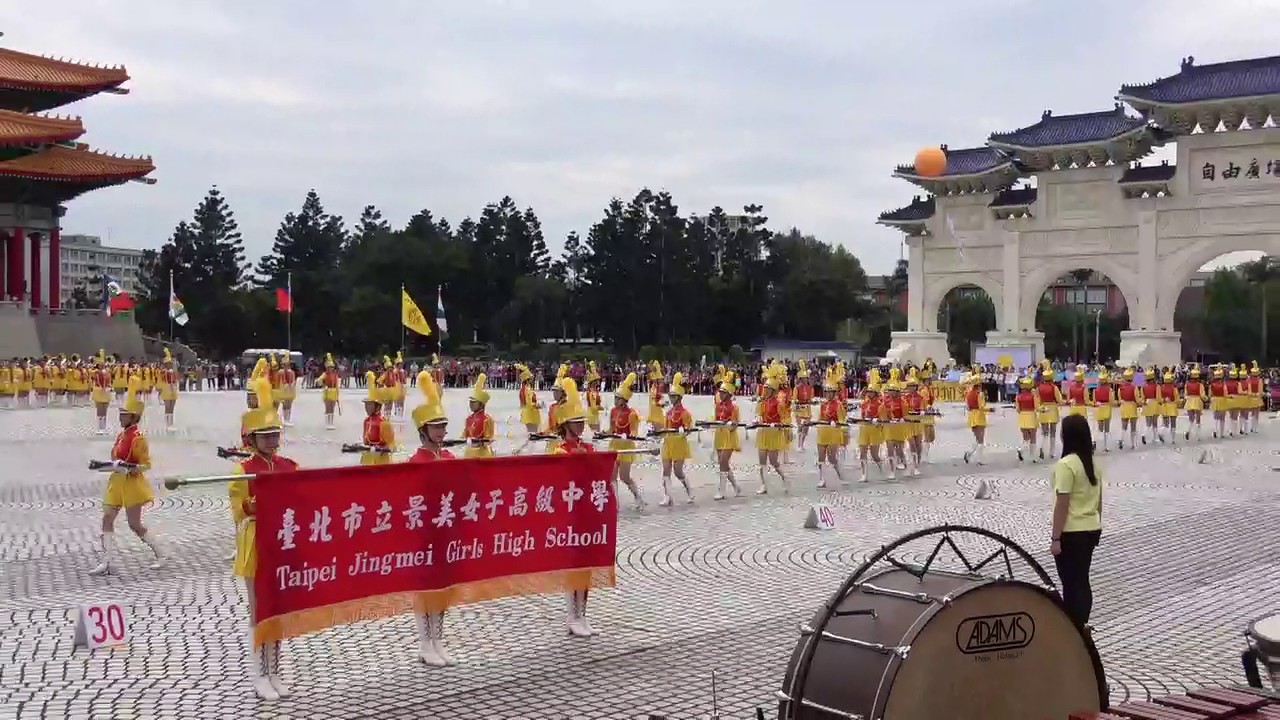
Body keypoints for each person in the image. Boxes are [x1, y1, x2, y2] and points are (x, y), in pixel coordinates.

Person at [229, 376, 299, 699]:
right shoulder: (242, 469)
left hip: (283, 540)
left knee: (279, 609)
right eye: (265, 435)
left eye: (275, 434)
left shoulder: (289, 466)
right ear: (252, 438)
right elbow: (239, 509)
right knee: (260, 610)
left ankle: (275, 671)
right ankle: (259, 674)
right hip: (257, 542)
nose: (272, 440)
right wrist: (257, 504)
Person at [89, 375, 165, 576]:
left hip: (132, 484)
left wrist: (130, 467)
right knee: (107, 518)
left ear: (133, 417)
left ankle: (161, 553)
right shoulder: (121, 435)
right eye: (120, 414)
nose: (120, 417)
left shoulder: (139, 439)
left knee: (134, 525)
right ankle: (107, 561)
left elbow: (146, 464)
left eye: (124, 414)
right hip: (116, 481)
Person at [406, 370, 455, 667]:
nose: (441, 431)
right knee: (425, 587)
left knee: (444, 587)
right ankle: (425, 642)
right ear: (423, 430)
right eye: (435, 426)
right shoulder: (415, 462)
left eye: (443, 426)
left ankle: (438, 638)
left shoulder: (450, 459)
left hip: (447, 531)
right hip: (425, 534)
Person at [1050, 414, 1103, 632]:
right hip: (1091, 527)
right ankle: (1082, 622)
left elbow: (1062, 503)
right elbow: (1100, 501)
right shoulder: (1092, 464)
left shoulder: (1066, 465)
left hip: (1072, 531)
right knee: (1082, 579)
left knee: (1070, 582)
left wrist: (1055, 537)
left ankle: (1073, 626)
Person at [608, 372, 646, 509]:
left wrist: (630, 435)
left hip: (626, 446)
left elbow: (634, 431)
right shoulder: (612, 411)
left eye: (617, 398)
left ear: (624, 400)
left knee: (624, 476)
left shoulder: (631, 414)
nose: (615, 400)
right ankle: (615, 503)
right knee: (612, 476)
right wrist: (603, 434)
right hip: (615, 445)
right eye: (615, 397)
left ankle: (637, 496)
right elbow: (611, 429)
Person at [711, 372, 743, 499]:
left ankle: (722, 490)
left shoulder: (734, 407)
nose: (721, 394)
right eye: (720, 392)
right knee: (722, 464)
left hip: (729, 436)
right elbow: (716, 419)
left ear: (729, 394)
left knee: (724, 461)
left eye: (724, 392)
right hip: (719, 435)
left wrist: (730, 424)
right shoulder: (718, 406)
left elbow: (735, 424)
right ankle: (736, 486)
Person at [814, 368, 845, 487]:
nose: (827, 394)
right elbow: (820, 417)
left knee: (831, 457)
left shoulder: (838, 405)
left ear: (834, 393)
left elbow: (842, 420)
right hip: (823, 431)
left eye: (830, 392)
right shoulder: (823, 404)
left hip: (833, 432)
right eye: (826, 392)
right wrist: (819, 423)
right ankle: (822, 478)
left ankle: (839, 473)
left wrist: (836, 423)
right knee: (821, 456)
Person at [360, 372, 396, 465]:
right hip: (368, 458)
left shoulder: (383, 422)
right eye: (366, 405)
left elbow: (391, 444)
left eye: (370, 405)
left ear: (378, 406)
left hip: (381, 459)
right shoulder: (366, 421)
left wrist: (381, 448)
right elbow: (365, 441)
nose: (366, 408)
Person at [462, 373, 495, 458]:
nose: (471, 404)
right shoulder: (468, 419)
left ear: (481, 404)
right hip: (469, 452)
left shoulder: (487, 419)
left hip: (482, 453)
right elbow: (464, 436)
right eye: (470, 402)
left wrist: (480, 442)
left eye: (473, 402)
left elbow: (489, 439)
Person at [962, 370, 989, 465]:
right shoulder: (980, 394)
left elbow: (967, 407)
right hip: (979, 416)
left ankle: (969, 454)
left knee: (977, 438)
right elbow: (981, 407)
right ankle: (979, 459)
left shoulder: (968, 394)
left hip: (972, 416)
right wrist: (990, 410)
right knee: (981, 439)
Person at [515, 363, 541, 433]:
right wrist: (538, 405)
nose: (532, 379)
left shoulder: (524, 389)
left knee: (531, 434)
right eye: (531, 378)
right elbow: (529, 403)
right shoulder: (527, 389)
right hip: (530, 413)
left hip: (528, 412)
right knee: (533, 434)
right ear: (527, 380)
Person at [320, 353, 341, 430]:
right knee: (328, 408)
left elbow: (337, 384)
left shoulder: (335, 374)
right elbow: (319, 381)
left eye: (332, 367)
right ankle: (327, 422)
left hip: (333, 392)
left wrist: (337, 393)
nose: (330, 368)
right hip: (327, 391)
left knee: (332, 408)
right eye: (329, 367)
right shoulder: (325, 374)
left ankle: (331, 422)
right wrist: (324, 385)